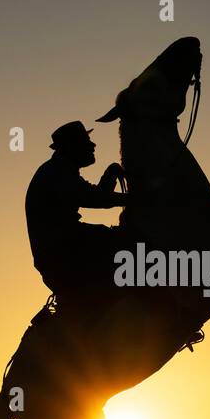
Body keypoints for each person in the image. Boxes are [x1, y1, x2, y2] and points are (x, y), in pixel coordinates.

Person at [25, 121, 128, 308]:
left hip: (64, 250)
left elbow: (95, 195)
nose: (92, 145)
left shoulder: (59, 170)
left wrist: (112, 172)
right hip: (65, 254)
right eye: (86, 141)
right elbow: (95, 198)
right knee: (125, 246)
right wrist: (140, 199)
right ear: (71, 146)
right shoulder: (57, 172)